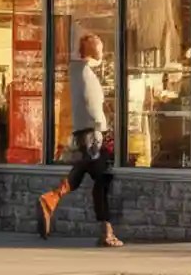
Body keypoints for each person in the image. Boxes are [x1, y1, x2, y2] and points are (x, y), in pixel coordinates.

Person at [36, 31, 123, 247]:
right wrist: (103, 126)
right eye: (100, 49)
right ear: (93, 51)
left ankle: (53, 199)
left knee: (91, 175)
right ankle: (105, 232)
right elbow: (93, 108)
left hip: (86, 132)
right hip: (93, 133)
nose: (103, 52)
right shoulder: (83, 70)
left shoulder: (78, 71)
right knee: (100, 179)